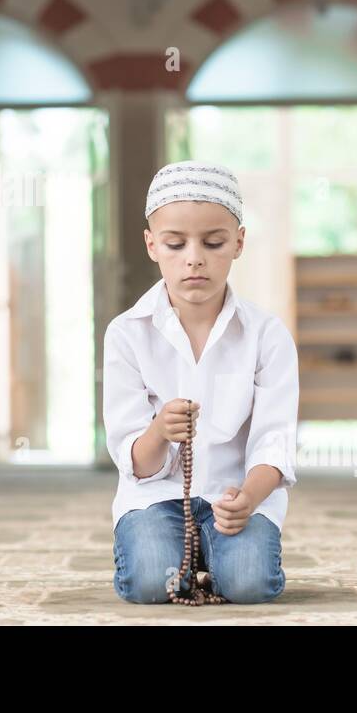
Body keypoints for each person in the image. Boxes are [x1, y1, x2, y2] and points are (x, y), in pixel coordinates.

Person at [104, 160, 299, 604]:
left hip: (236, 494)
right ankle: (190, 558)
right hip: (155, 496)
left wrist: (247, 498)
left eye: (213, 243)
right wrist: (158, 430)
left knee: (249, 583)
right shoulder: (126, 333)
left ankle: (212, 557)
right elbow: (134, 462)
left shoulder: (266, 334)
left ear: (239, 242)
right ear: (152, 245)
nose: (194, 258)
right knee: (150, 581)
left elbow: (275, 440)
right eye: (175, 244)